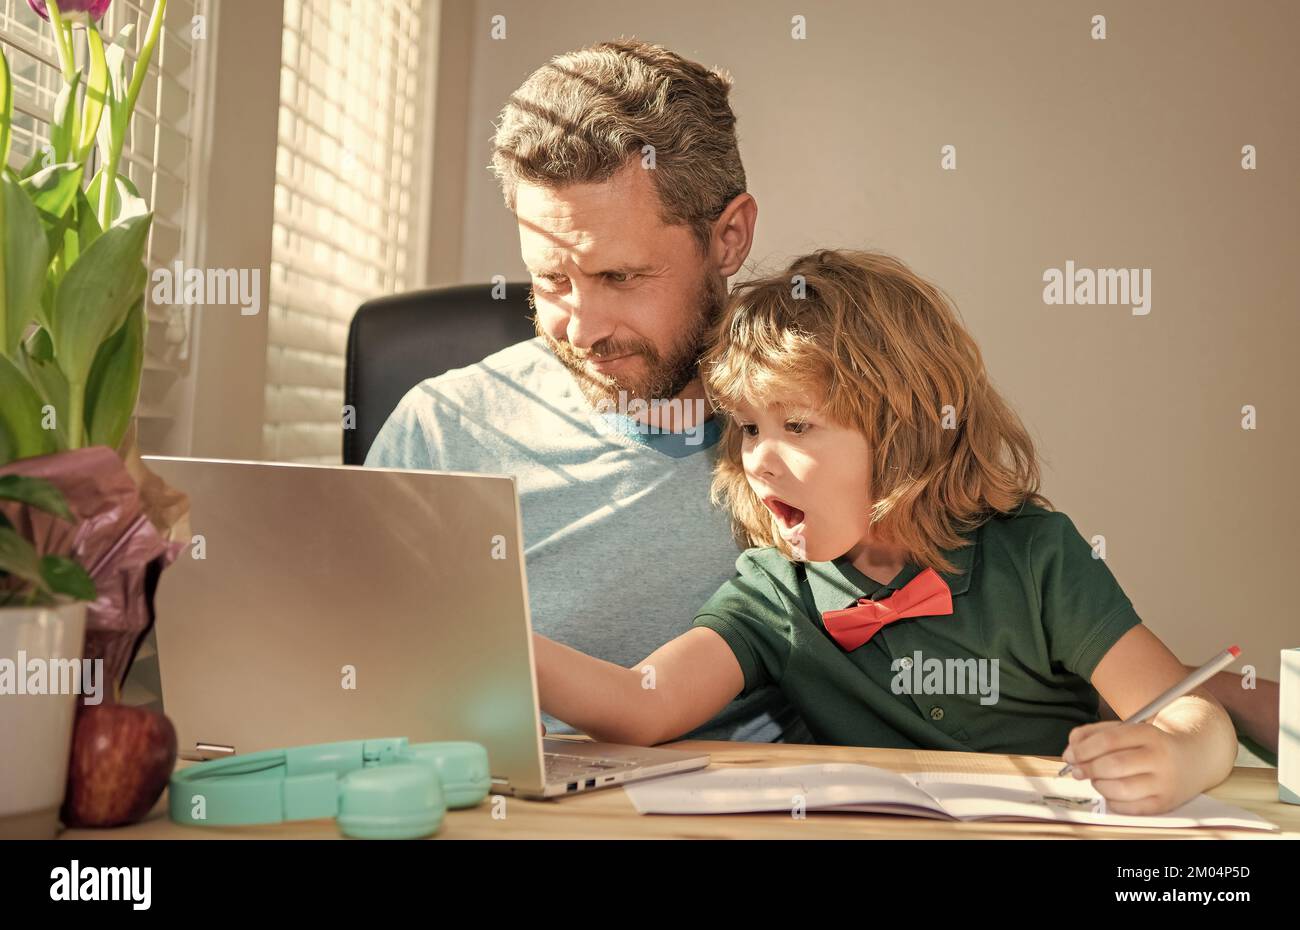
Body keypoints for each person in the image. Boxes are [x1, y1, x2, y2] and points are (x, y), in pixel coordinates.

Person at [533, 249, 1239, 815]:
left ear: (902, 433)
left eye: (797, 426)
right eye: (749, 428)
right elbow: (643, 704)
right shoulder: (777, 591)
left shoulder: (1036, 555)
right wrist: (500, 640)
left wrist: (1174, 759)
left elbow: (1196, 715)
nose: (758, 459)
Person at [366, 39, 808, 742]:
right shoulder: (440, 431)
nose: (584, 328)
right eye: (551, 282)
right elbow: (350, 676)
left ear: (728, 238)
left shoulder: (820, 431)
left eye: (621, 278)